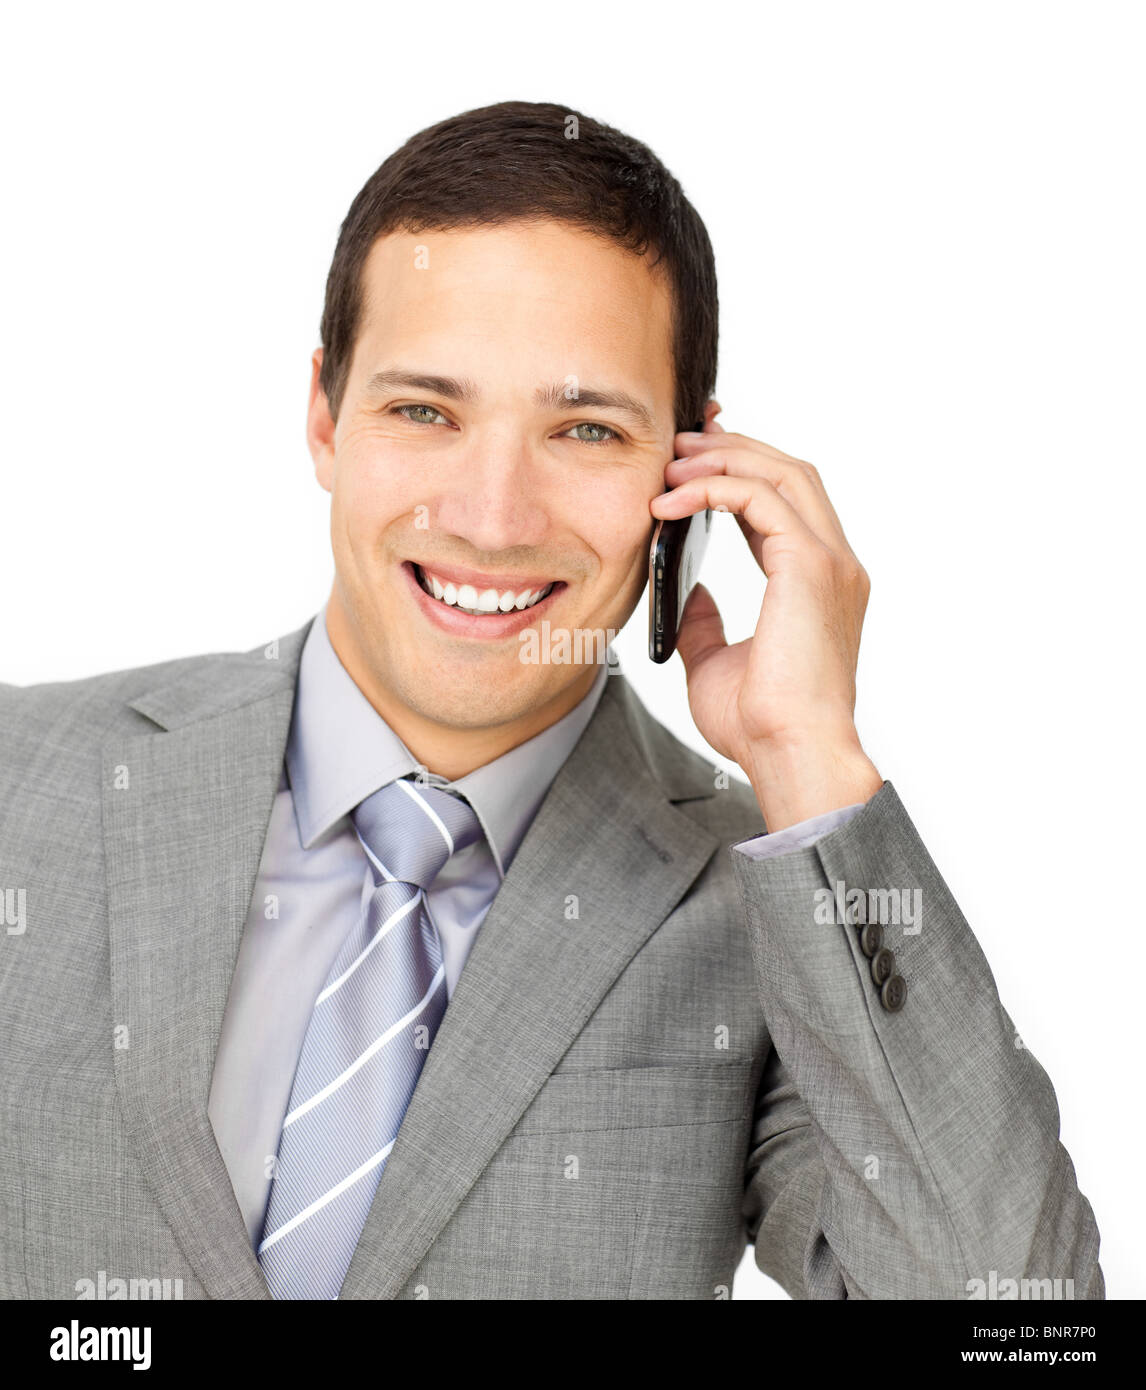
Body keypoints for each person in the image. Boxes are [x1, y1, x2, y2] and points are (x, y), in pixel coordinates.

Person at [0, 100, 1102, 1300]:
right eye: (425, 409)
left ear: (692, 467)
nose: (491, 515)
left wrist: (810, 754)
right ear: (325, 415)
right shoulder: (26, 779)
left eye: (585, 428)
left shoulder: (768, 908)